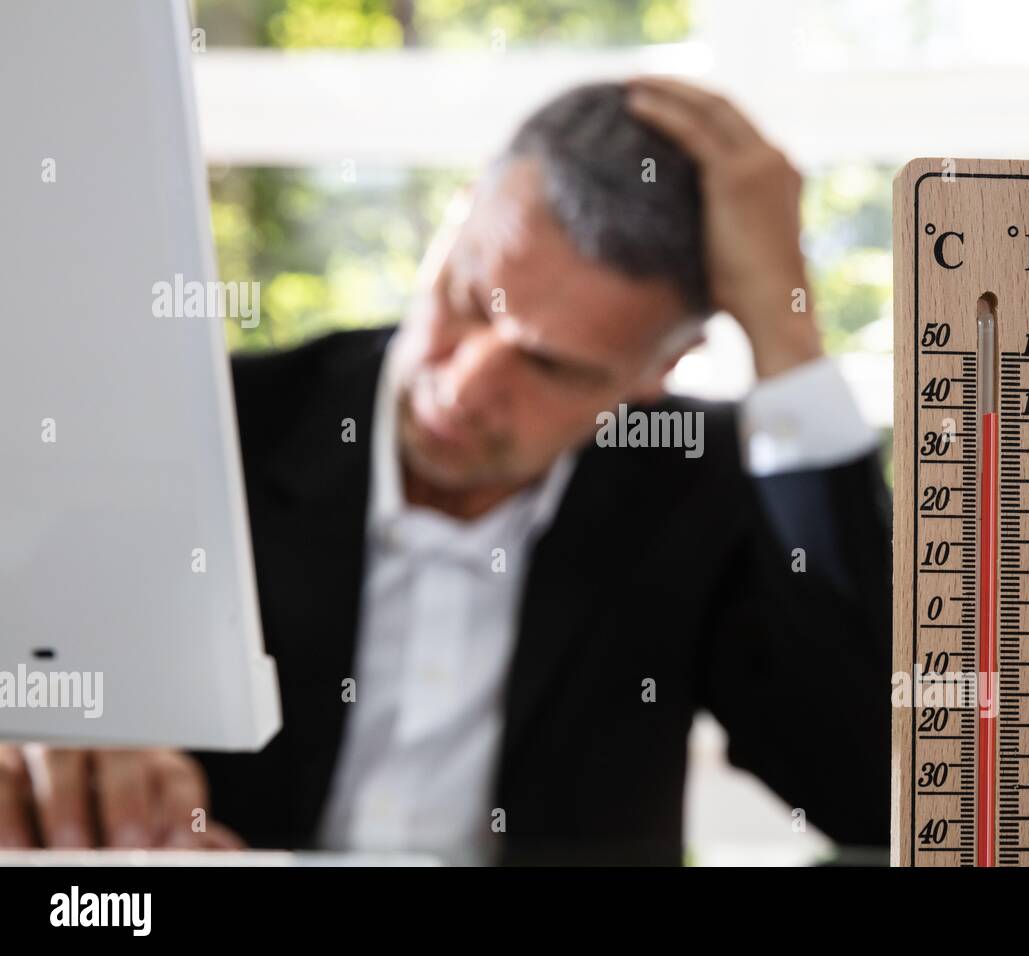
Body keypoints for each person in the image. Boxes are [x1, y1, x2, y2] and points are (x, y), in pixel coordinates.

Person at [0, 77, 892, 865]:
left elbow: (871, 794)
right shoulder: (209, 429)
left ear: (657, 375)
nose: (465, 386)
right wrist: (51, 743)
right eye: (470, 298)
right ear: (455, 216)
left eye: (553, 366)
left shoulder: (700, 487)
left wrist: (787, 331)